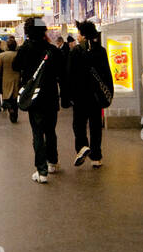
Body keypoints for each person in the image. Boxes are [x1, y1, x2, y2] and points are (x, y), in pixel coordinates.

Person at [14, 18, 63, 183]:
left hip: (34, 98)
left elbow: (15, 66)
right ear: (44, 31)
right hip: (51, 96)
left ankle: (41, 172)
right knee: (50, 130)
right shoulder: (52, 50)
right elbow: (61, 71)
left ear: (27, 33)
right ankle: (53, 162)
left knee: (37, 133)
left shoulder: (24, 49)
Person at [65, 21, 112, 168]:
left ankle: (82, 147)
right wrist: (108, 93)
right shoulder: (101, 51)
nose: (77, 36)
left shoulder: (76, 52)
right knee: (95, 126)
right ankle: (96, 157)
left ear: (84, 36)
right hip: (96, 96)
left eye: (78, 33)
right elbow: (107, 74)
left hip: (80, 96)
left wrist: (68, 96)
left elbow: (69, 75)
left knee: (78, 124)